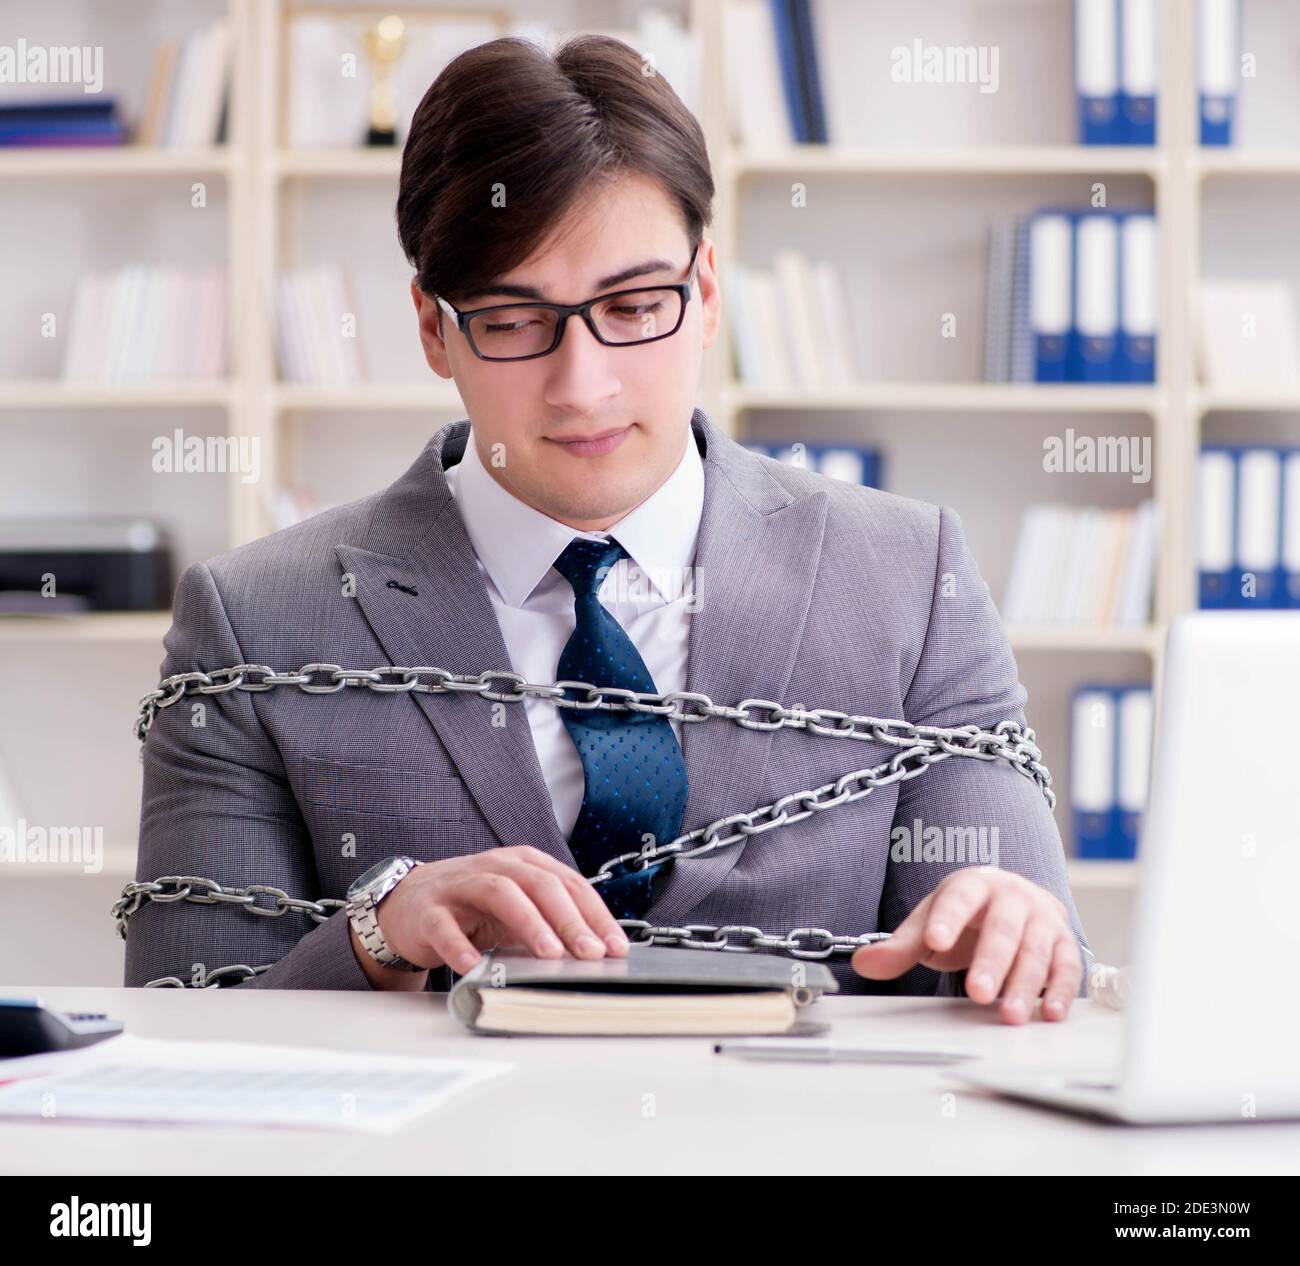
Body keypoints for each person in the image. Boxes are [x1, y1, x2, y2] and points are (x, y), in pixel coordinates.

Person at [127, 34, 1093, 1023]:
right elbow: (183, 1016)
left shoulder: (905, 576)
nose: (581, 385)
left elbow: (1018, 970)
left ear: (706, 293)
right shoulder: (258, 622)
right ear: (432, 329)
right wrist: (379, 934)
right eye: (511, 322)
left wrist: (1015, 928)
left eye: (634, 306)